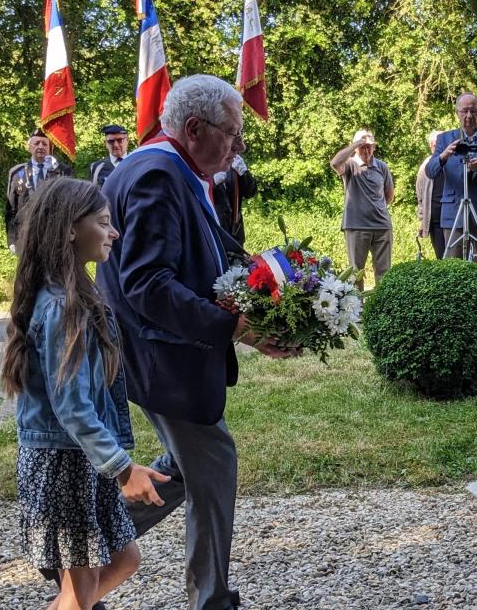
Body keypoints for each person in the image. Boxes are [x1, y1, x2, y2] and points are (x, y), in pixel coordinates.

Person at [95, 74, 297, 610]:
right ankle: (210, 601)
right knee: (213, 465)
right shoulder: (158, 174)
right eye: (232, 133)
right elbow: (147, 284)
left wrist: (266, 297)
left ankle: (87, 543)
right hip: (161, 354)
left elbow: (194, 258)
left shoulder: (165, 167)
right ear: (193, 128)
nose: (237, 146)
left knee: (185, 470)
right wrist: (236, 327)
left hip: (159, 351)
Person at [2, 177, 166, 610]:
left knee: (121, 561)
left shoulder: (72, 296)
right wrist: (123, 468)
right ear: (71, 229)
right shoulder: (62, 306)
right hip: (63, 463)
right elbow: (72, 407)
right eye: (104, 222)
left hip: (78, 459)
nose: (114, 232)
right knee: (82, 587)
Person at [426, 93, 477, 271]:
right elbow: (430, 171)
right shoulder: (445, 139)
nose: (469, 116)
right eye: (464, 111)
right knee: (453, 271)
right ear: (457, 113)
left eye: (473, 111)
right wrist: (443, 155)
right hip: (454, 214)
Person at [330, 128, 394, 291]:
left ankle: (381, 304)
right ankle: (356, 306)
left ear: (374, 147)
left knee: (384, 273)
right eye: (362, 147)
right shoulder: (350, 165)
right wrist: (355, 144)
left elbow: (389, 195)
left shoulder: (382, 167)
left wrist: (376, 209)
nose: (366, 150)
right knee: (355, 273)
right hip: (356, 226)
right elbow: (335, 163)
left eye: (369, 146)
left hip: (382, 226)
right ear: (356, 148)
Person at [6, 128, 70, 253]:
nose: (40, 147)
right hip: (25, 235)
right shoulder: (17, 172)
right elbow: (11, 208)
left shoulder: (62, 171)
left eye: (44, 144)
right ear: (29, 147)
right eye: (36, 143)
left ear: (50, 148)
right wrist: (12, 239)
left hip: (54, 237)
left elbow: (68, 206)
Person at [211, 154, 257, 246]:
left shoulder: (232, 162)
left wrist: (244, 173)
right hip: (214, 232)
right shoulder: (203, 163)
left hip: (235, 232)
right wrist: (213, 183)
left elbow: (250, 192)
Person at [415, 130, 444, 259]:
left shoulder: (454, 163)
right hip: (435, 220)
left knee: (457, 257)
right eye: (436, 144)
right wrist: (423, 220)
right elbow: (420, 196)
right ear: (431, 146)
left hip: (455, 218)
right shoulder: (425, 167)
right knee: (441, 257)